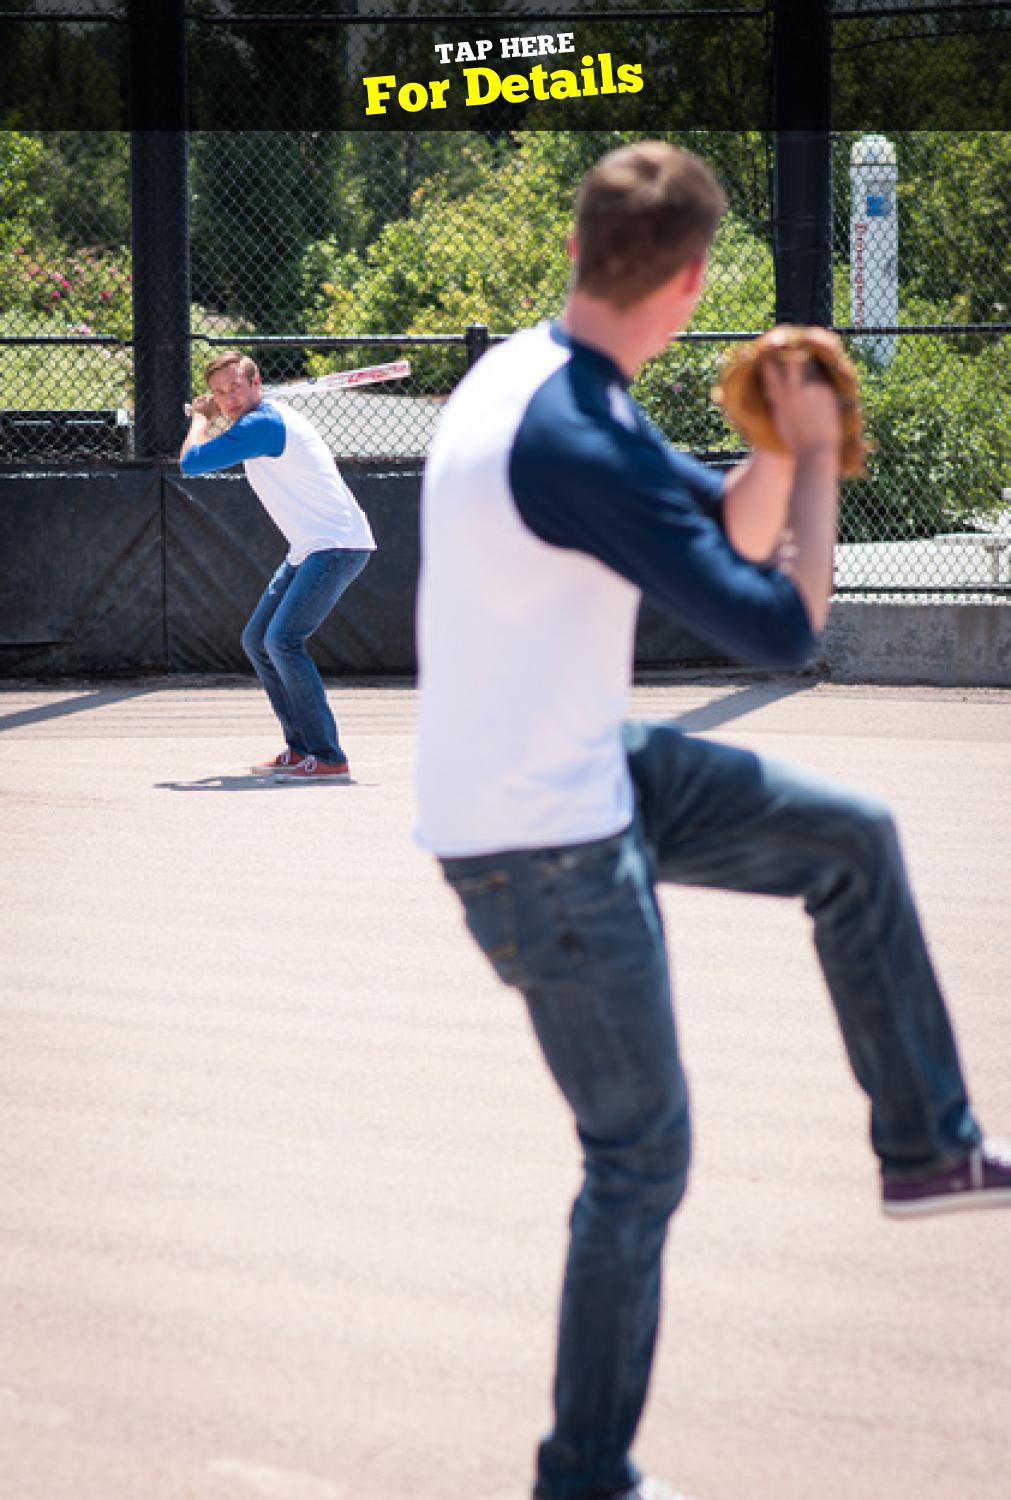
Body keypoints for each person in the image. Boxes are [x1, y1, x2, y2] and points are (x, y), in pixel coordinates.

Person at [414, 142, 1011, 1500]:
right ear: (688, 285)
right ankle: (582, 1477)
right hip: (535, 843)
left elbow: (705, 520)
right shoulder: (568, 434)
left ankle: (921, 1146)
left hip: (572, 768)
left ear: (580, 254)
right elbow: (780, 624)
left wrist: (766, 444)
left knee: (847, 836)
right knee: (638, 1157)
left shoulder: (538, 375)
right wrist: (812, 456)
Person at [179, 351, 375, 780]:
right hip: (309, 548)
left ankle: (327, 756)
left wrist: (200, 417)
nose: (228, 398)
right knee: (257, 640)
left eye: (235, 388)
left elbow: (191, 463)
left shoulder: (262, 426)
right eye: (219, 393)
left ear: (256, 383)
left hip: (336, 545)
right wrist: (215, 412)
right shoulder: (261, 419)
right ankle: (300, 746)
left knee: (283, 640)